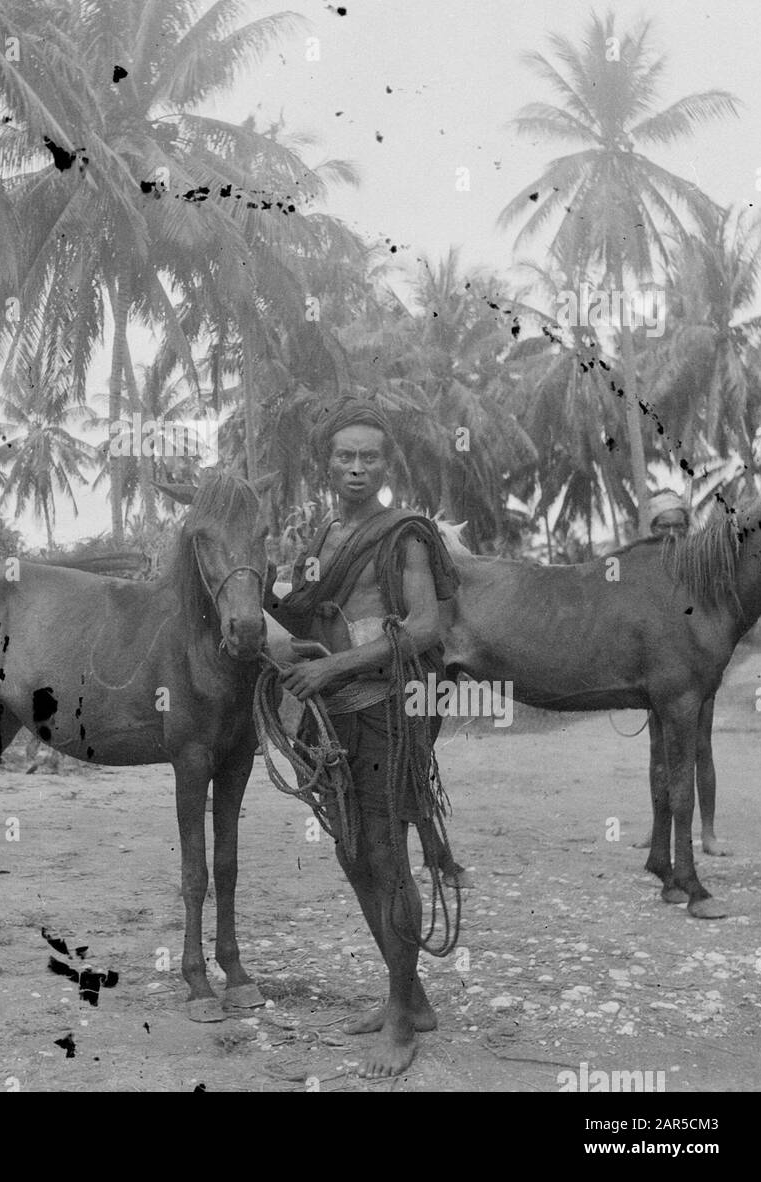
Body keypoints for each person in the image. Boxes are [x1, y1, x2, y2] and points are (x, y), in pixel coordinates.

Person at [267, 395, 461, 1078]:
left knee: (386, 856)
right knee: (354, 855)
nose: (356, 468)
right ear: (327, 464)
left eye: (368, 457)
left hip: (387, 709)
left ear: (386, 463)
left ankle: (402, 1019)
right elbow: (303, 609)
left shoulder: (405, 534)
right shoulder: (323, 538)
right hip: (336, 714)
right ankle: (411, 996)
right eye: (344, 456)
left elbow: (429, 624)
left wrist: (338, 668)